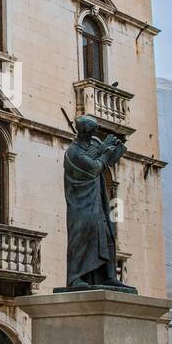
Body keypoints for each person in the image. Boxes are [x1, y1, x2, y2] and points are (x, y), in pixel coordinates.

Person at [63, 115, 135, 290]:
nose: (95, 133)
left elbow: (104, 161)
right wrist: (106, 154)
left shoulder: (93, 144)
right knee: (81, 238)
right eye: (93, 130)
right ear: (85, 131)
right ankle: (75, 277)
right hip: (81, 204)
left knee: (108, 236)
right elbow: (94, 168)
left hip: (99, 201)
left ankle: (109, 276)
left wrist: (114, 149)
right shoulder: (73, 152)